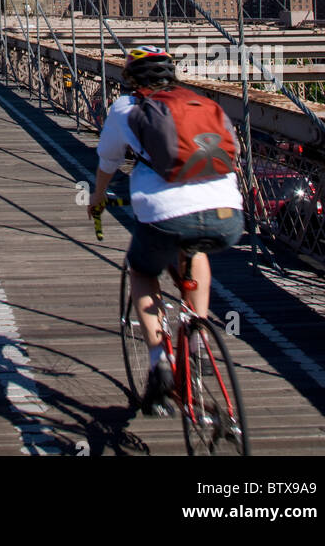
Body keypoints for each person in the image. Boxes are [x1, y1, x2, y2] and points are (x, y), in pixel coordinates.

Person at [87, 46, 243, 415]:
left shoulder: (126, 108)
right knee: (197, 252)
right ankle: (198, 337)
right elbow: (232, 151)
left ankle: (159, 359)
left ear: (130, 80)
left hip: (164, 215)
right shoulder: (202, 103)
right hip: (227, 213)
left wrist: (97, 197)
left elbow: (108, 160)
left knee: (142, 271)